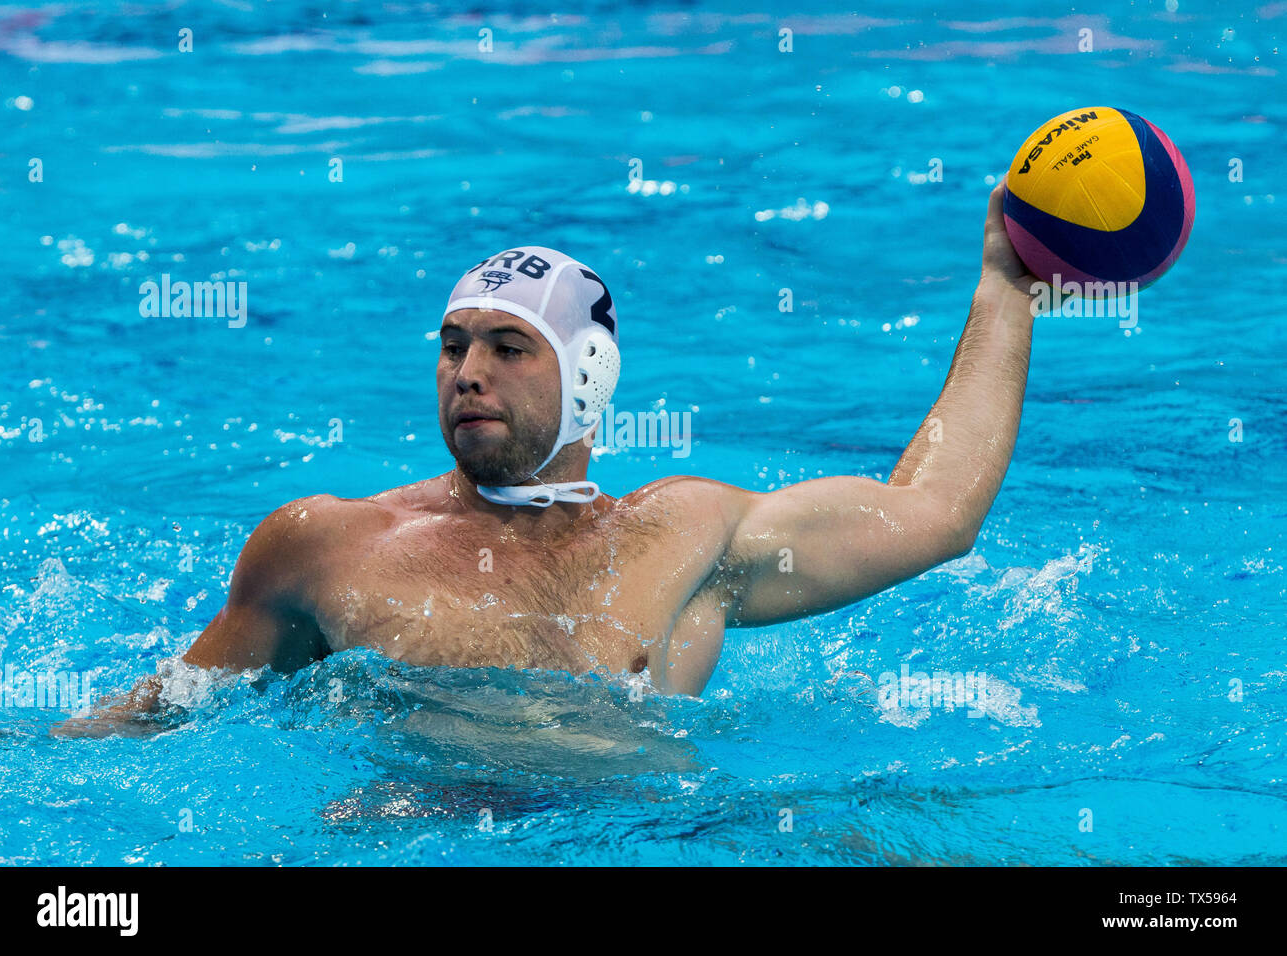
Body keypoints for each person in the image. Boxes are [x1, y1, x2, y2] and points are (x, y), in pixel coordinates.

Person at [56, 180, 1037, 736]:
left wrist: (1005, 284)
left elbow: (938, 511)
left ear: (587, 375)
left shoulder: (686, 533)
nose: (468, 372)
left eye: (506, 346)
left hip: (660, 834)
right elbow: (161, 712)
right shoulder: (322, 544)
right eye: (452, 345)